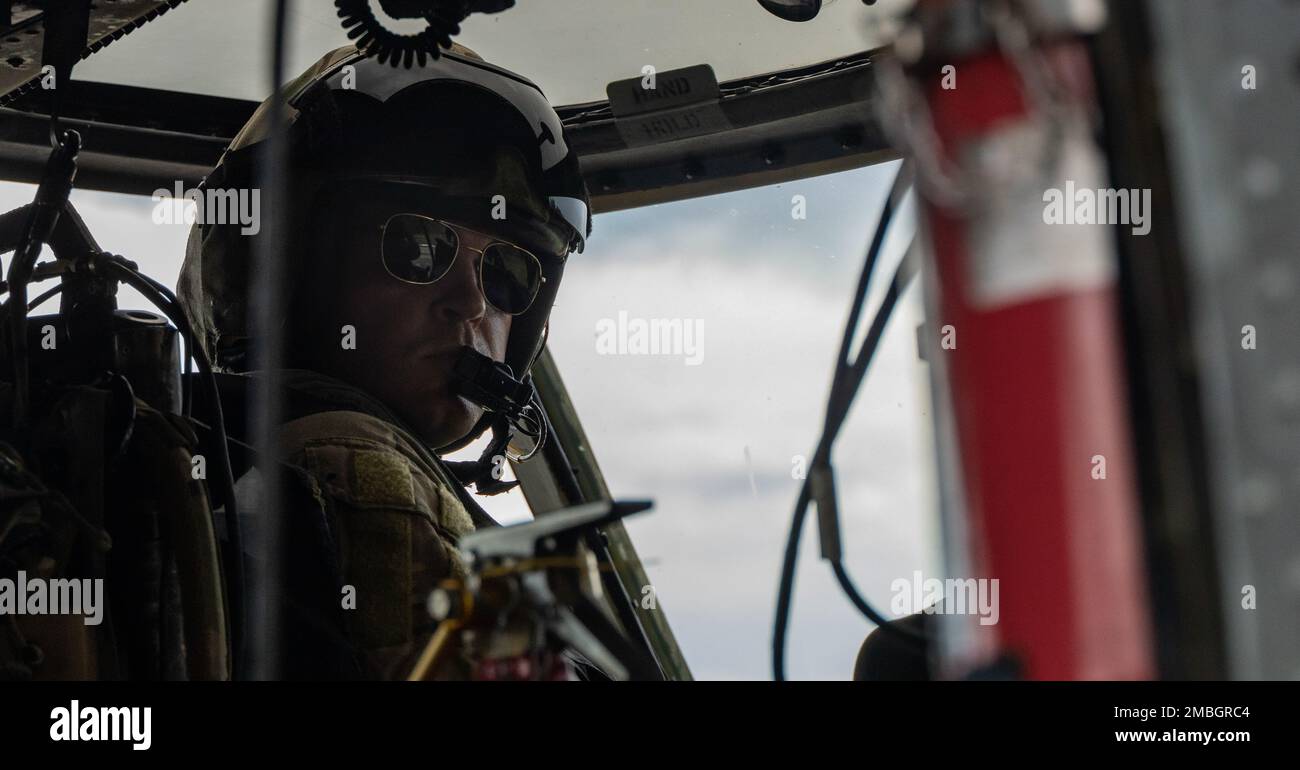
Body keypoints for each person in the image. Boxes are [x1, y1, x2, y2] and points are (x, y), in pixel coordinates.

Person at [176, 42, 591, 679]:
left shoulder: (230, 456)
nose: (471, 301)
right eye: (419, 246)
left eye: (508, 273)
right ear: (288, 269)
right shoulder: (356, 469)